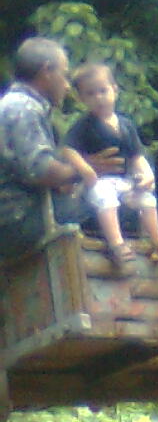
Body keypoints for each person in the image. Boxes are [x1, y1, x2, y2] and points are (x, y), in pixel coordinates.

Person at [0, 37, 97, 262]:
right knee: (110, 203)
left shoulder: (12, 104)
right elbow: (42, 171)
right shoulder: (23, 108)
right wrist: (86, 170)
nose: (66, 85)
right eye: (64, 75)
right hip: (17, 219)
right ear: (47, 71)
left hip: (13, 216)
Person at [65, 61, 158, 267]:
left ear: (115, 90)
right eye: (91, 94)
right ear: (82, 99)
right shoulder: (84, 125)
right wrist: (85, 170)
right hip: (99, 182)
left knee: (147, 199)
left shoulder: (126, 125)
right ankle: (117, 244)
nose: (98, 98)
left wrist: (147, 176)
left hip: (124, 182)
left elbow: (137, 156)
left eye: (103, 90)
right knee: (105, 197)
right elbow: (67, 149)